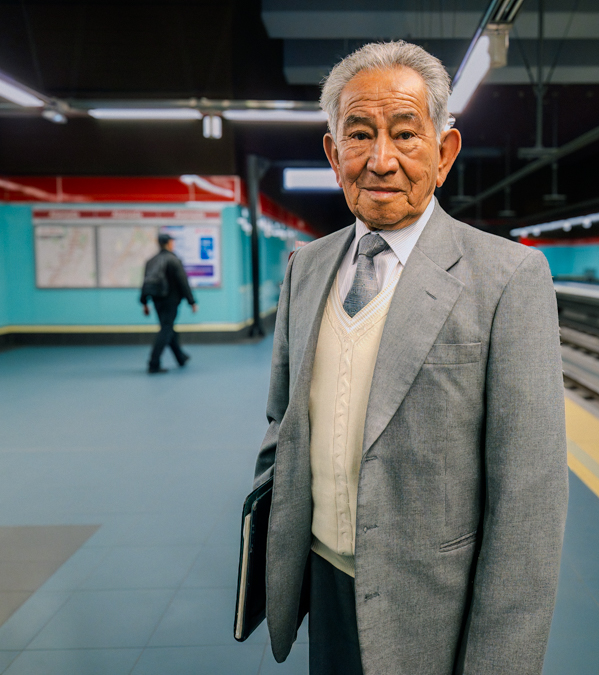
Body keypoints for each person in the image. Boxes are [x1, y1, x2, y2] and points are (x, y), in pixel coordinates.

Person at [252, 41, 568, 675]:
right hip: (323, 581)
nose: (381, 160)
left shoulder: (508, 277)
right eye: (359, 135)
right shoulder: (305, 269)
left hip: (435, 605)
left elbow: (528, 502)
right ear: (332, 152)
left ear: (445, 152)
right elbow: (281, 423)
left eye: (405, 134)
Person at [140, 233, 197, 373]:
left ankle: (180, 357)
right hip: (171, 300)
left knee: (168, 328)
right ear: (169, 243)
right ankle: (154, 362)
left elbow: (145, 283)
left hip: (156, 300)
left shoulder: (151, 261)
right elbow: (183, 282)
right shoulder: (174, 260)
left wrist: (144, 303)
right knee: (166, 329)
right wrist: (192, 302)